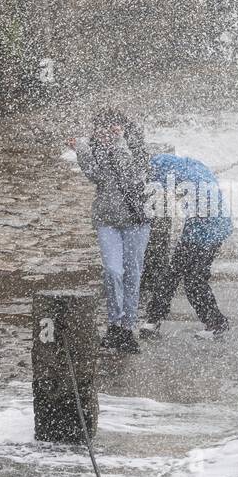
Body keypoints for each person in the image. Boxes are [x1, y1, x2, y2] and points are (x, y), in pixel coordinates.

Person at [70, 109, 150, 353]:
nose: (104, 134)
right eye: (100, 130)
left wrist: (121, 143)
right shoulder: (99, 149)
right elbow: (95, 176)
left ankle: (128, 328)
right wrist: (82, 149)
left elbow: (131, 175)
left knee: (132, 274)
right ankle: (114, 324)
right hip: (107, 219)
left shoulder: (136, 147)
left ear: (121, 129)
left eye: (110, 130)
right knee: (113, 271)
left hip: (136, 219)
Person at [144, 153, 233, 335]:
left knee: (192, 279)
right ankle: (154, 319)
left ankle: (216, 324)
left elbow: (206, 207)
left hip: (206, 231)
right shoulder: (191, 167)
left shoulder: (173, 175)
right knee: (175, 274)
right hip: (206, 228)